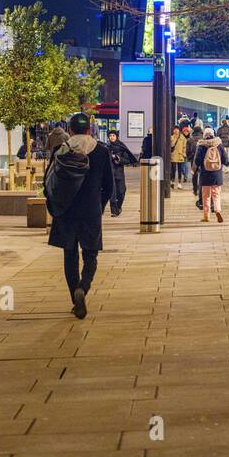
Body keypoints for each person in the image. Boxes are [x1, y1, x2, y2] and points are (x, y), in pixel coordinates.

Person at [45, 113, 114, 319]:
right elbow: (108, 186)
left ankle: (75, 300)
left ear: (71, 130)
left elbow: (48, 181)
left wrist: (55, 205)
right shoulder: (101, 151)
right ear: (89, 130)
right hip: (90, 211)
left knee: (70, 254)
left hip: (66, 210)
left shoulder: (60, 150)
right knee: (90, 254)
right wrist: (99, 207)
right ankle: (83, 288)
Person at [194, 125, 228, 222]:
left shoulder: (201, 145)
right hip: (216, 174)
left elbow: (197, 160)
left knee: (206, 196)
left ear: (204, 135)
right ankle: (217, 210)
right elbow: (225, 159)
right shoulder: (219, 144)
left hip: (205, 174)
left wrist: (196, 168)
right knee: (216, 194)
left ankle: (206, 216)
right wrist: (227, 164)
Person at [105, 130, 137, 216]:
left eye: (113, 135)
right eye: (110, 136)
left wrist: (118, 159)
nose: (111, 137)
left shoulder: (121, 147)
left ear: (117, 137)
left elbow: (127, 160)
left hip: (119, 173)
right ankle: (114, 211)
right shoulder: (107, 148)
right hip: (110, 173)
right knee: (112, 193)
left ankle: (118, 207)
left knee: (121, 192)